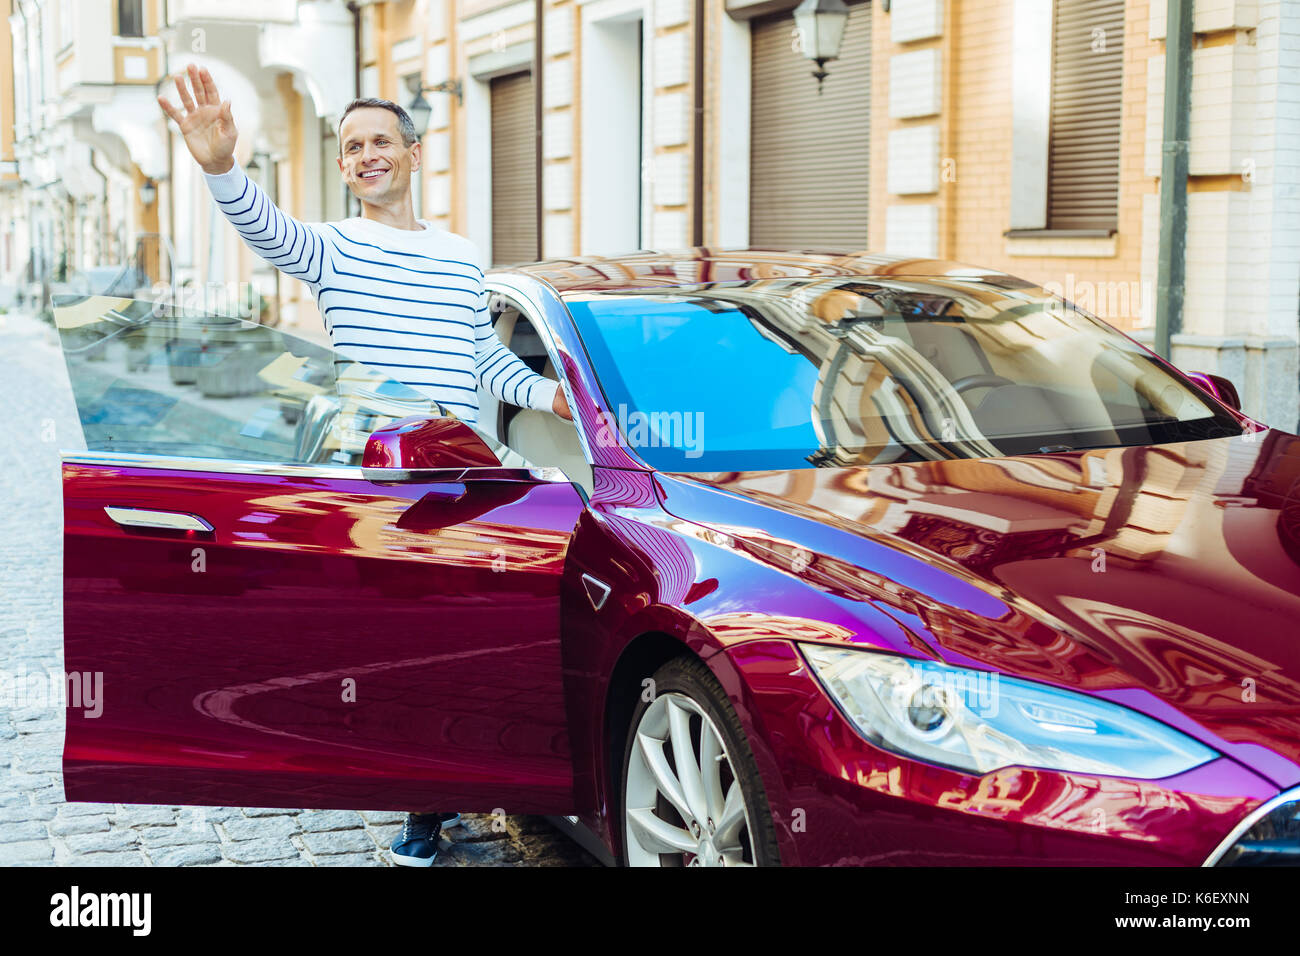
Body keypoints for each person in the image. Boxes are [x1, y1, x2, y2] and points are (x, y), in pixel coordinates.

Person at [159, 63, 571, 867]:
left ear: (414, 153)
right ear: (344, 166)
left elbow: (485, 359)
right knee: (406, 639)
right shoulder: (335, 249)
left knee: (466, 638)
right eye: (352, 147)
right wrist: (218, 165)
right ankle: (423, 807)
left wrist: (552, 398)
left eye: (381, 141)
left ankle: (467, 771)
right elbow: (265, 228)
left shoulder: (460, 255)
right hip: (379, 476)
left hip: (463, 471)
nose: (366, 155)